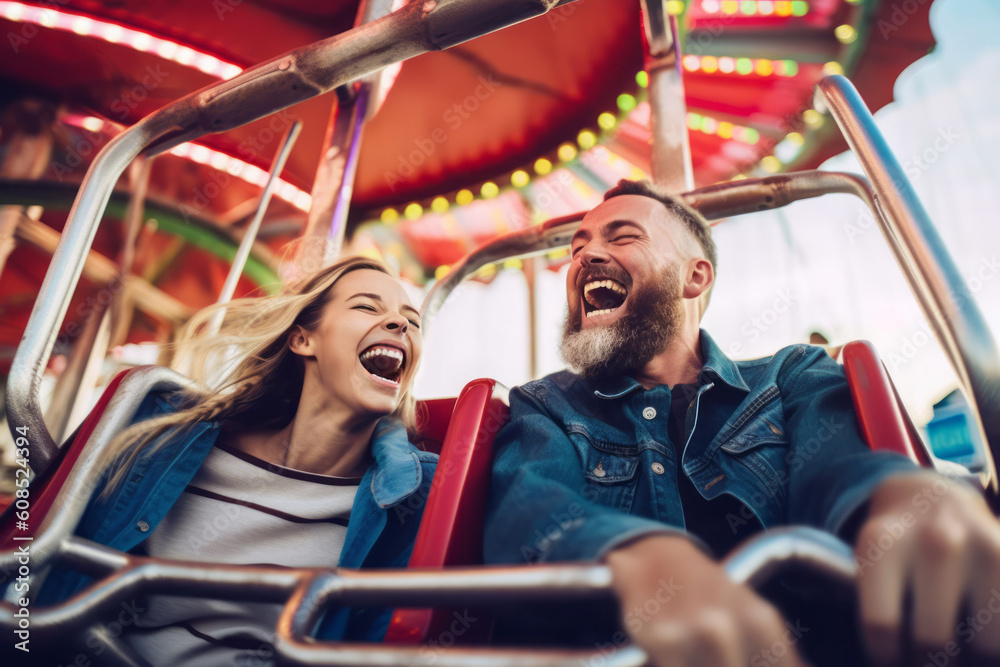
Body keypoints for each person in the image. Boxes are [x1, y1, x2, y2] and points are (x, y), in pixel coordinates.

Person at [484, 180, 1000, 667]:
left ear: (695, 276)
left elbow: (841, 465)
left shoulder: (790, 374)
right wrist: (640, 555)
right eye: (576, 248)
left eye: (622, 237)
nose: (586, 257)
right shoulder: (549, 402)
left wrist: (904, 494)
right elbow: (531, 509)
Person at [37, 257, 434, 665]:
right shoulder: (163, 431)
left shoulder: (416, 494)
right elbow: (36, 553)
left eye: (413, 321)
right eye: (367, 307)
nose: (400, 324)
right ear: (302, 340)